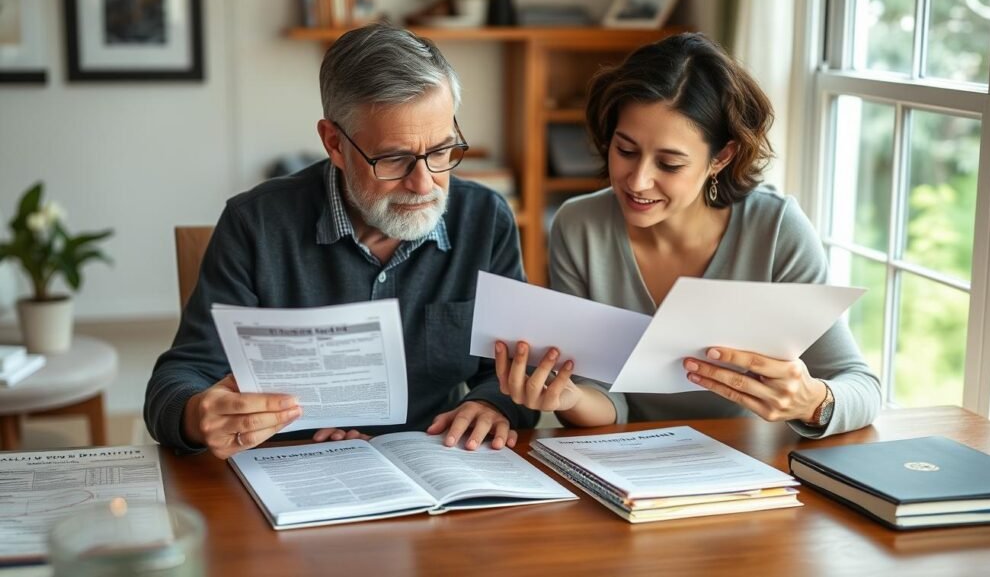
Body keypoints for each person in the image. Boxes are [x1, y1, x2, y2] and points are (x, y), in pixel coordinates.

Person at [145, 23, 536, 459]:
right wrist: (198, 414)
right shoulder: (254, 224)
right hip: (294, 468)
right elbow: (178, 380)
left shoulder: (485, 218)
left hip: (437, 464)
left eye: (442, 151)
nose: (424, 184)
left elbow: (513, 371)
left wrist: (491, 403)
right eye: (394, 158)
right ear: (334, 142)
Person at [496, 33, 881, 438]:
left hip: (749, 466)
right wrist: (567, 399)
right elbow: (603, 394)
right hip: (625, 461)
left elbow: (860, 386)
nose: (638, 181)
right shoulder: (579, 226)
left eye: (669, 163)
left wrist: (811, 401)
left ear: (721, 157)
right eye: (625, 151)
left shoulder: (776, 229)